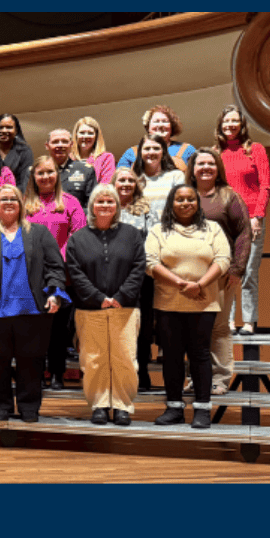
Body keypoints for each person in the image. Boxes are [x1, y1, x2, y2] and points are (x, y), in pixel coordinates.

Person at [0, 185, 69, 423]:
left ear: (22, 204)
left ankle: (29, 407)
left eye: (13, 199)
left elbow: (55, 266)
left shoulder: (39, 233)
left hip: (33, 310)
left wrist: (54, 293)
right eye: (3, 199)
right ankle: (1, 406)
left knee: (32, 361)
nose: (8, 203)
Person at [146, 185, 231, 429]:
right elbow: (150, 262)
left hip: (204, 305)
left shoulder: (212, 229)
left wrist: (200, 284)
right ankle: (174, 408)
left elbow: (223, 259)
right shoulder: (158, 231)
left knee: (200, 355)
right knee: (172, 357)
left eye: (191, 199)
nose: (186, 203)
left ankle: (202, 409)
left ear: (197, 203)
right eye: (180, 199)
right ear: (172, 203)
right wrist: (180, 283)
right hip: (167, 304)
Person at [66, 186, 147, 426]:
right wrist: (96, 297)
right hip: (90, 309)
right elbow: (75, 272)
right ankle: (99, 405)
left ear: (117, 206)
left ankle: (122, 405)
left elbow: (138, 267)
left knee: (125, 358)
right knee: (93, 360)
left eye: (110, 201)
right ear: (91, 206)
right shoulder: (78, 239)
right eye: (100, 201)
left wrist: (122, 296)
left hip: (126, 308)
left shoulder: (132, 235)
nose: (104, 205)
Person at [188, 148, 250, 395]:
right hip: (189, 276)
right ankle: (196, 377)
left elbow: (244, 232)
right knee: (192, 330)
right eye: (200, 163)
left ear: (218, 169)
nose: (205, 168)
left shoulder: (229, 197)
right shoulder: (185, 195)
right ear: (192, 169)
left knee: (219, 328)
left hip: (222, 275)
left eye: (210, 164)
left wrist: (237, 268)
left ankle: (219, 379)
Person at [23, 155, 87, 389]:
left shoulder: (70, 202)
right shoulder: (25, 203)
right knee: (34, 329)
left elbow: (78, 235)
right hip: (31, 275)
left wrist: (57, 259)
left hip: (63, 273)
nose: (46, 177)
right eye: (40, 173)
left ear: (57, 175)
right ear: (34, 176)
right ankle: (37, 373)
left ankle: (57, 373)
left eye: (50, 172)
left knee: (59, 329)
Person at [215, 105, 270, 336]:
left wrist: (257, 216)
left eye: (234, 121)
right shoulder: (216, 153)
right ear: (220, 125)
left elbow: (265, 185)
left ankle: (248, 322)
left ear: (242, 124)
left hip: (251, 219)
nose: (230, 125)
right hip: (225, 221)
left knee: (248, 273)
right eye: (226, 121)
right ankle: (227, 321)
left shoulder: (255, 149)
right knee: (226, 272)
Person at [112, 167, 161, 391]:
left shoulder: (146, 209)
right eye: (121, 180)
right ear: (113, 183)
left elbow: (152, 241)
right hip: (112, 277)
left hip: (141, 277)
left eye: (130, 181)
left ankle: (142, 372)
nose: (125, 184)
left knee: (142, 326)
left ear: (136, 185)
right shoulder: (106, 206)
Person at [117, 105, 196, 172]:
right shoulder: (132, 153)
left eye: (165, 121)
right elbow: (119, 178)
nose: (160, 125)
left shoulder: (187, 150)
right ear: (148, 127)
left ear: (172, 126)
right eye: (156, 121)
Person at [45, 128, 96, 208]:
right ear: (47, 146)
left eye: (65, 142)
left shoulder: (85, 170)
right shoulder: (35, 171)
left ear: (71, 145)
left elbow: (92, 207)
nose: (60, 145)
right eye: (55, 142)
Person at [133, 133, 186, 206]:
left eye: (156, 148)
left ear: (163, 153)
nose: (151, 152)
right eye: (147, 149)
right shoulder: (134, 179)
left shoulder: (176, 176)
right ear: (140, 153)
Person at [0, 113, 34, 191]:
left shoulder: (24, 150)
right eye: (0, 127)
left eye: (9, 127)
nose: (4, 131)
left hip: (15, 195)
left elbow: (25, 181)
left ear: (16, 130)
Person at [73, 116, 115, 185]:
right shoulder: (68, 158)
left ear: (96, 137)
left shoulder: (106, 158)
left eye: (90, 133)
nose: (86, 136)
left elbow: (105, 187)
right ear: (76, 135)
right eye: (82, 133)